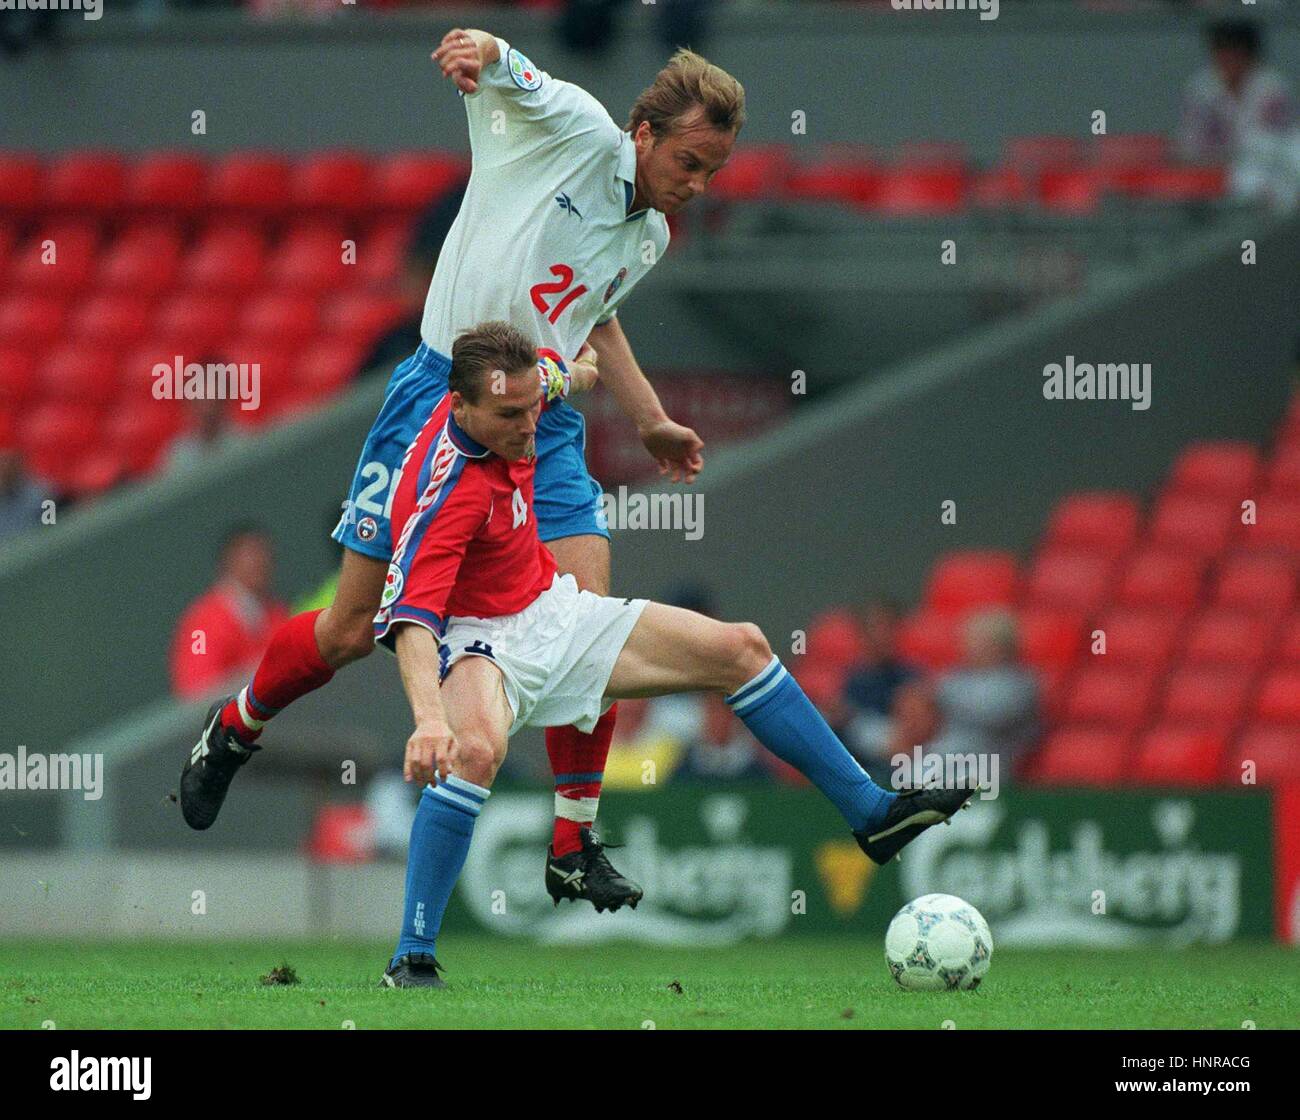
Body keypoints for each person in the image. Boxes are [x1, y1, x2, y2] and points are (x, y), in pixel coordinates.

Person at [182, 28, 746, 912]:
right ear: (643, 133)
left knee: (587, 618)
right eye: (690, 159)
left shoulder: (650, 239)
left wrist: (651, 420)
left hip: (545, 418)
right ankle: (234, 727)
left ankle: (573, 839)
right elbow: (506, 64)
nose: (699, 182)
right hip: (437, 394)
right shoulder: (577, 127)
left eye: (713, 168)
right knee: (350, 627)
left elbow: (592, 317)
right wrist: (477, 47)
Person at [361, 322, 977, 988]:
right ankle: (412, 955)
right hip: (477, 642)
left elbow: (574, 370)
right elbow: (413, 621)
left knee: (741, 646)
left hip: (553, 612)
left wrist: (592, 376)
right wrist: (429, 719)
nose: (528, 425)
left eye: (533, 406)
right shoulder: (442, 493)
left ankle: (871, 814)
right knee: (475, 750)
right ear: (458, 407)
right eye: (510, 416)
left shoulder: (525, 389)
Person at [1179, 19, 1298, 208]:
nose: (1228, 58)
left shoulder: (1272, 89)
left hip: (1270, 170)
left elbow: (1274, 147)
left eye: (1235, 52)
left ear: (1250, 55)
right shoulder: (1201, 88)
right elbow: (1193, 145)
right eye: (1221, 51)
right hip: (1216, 170)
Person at [170, 525, 290, 700]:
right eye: (250, 554)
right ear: (228, 561)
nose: (260, 562)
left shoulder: (276, 612)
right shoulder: (201, 625)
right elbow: (197, 689)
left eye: (263, 554)